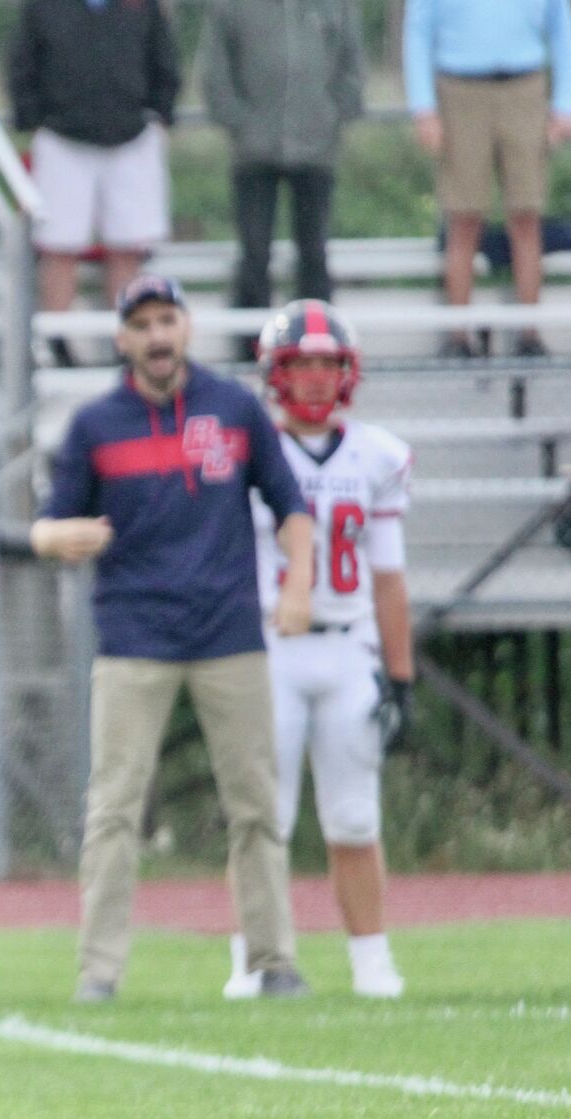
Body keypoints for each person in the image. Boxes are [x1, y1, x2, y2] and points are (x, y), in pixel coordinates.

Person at [32, 274, 316, 1002]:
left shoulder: (234, 408)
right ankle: (99, 973)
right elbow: (47, 523)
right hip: (133, 637)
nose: (158, 335)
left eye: (168, 320)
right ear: (123, 338)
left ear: (185, 328)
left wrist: (297, 584)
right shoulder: (95, 425)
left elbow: (291, 505)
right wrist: (55, 536)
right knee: (114, 809)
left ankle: (273, 961)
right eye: (143, 323)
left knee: (255, 804)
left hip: (228, 633)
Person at [225, 301, 414, 999]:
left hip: (347, 649)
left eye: (326, 363)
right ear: (276, 373)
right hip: (269, 647)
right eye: (299, 363)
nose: (312, 378)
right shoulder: (253, 452)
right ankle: (253, 958)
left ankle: (371, 959)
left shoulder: (378, 455)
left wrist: (402, 676)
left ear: (347, 371)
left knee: (355, 817)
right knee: (260, 817)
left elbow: (389, 577)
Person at [8, 0, 181, 361]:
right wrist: (31, 116)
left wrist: (161, 111)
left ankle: (129, 340)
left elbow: (163, 58)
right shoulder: (43, 8)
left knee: (128, 244)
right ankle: (56, 342)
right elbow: (22, 61)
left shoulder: (142, 6)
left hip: (131, 137)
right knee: (59, 244)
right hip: (62, 139)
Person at [405, 0, 571, 356]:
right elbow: (418, 29)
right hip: (459, 87)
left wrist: (564, 101)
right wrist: (423, 107)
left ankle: (530, 334)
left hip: (525, 85)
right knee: (464, 219)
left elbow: (562, 25)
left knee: (526, 217)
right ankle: (458, 336)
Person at [198, 0, 365, 331]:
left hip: (317, 149)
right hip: (253, 153)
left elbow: (353, 66)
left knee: (314, 253)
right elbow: (214, 70)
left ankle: (317, 339)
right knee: (255, 253)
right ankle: (250, 342)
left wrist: (331, 116)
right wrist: (240, 123)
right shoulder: (231, 7)